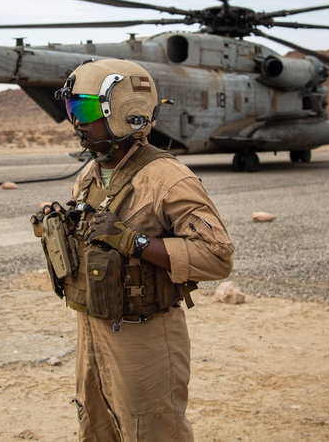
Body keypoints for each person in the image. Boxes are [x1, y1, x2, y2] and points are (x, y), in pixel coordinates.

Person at [31, 58, 234, 442]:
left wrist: (136, 243)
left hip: (145, 337)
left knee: (152, 430)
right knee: (95, 423)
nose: (76, 122)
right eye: (71, 109)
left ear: (126, 114)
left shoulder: (168, 179)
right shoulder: (90, 174)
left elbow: (217, 255)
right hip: (92, 327)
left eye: (86, 110)